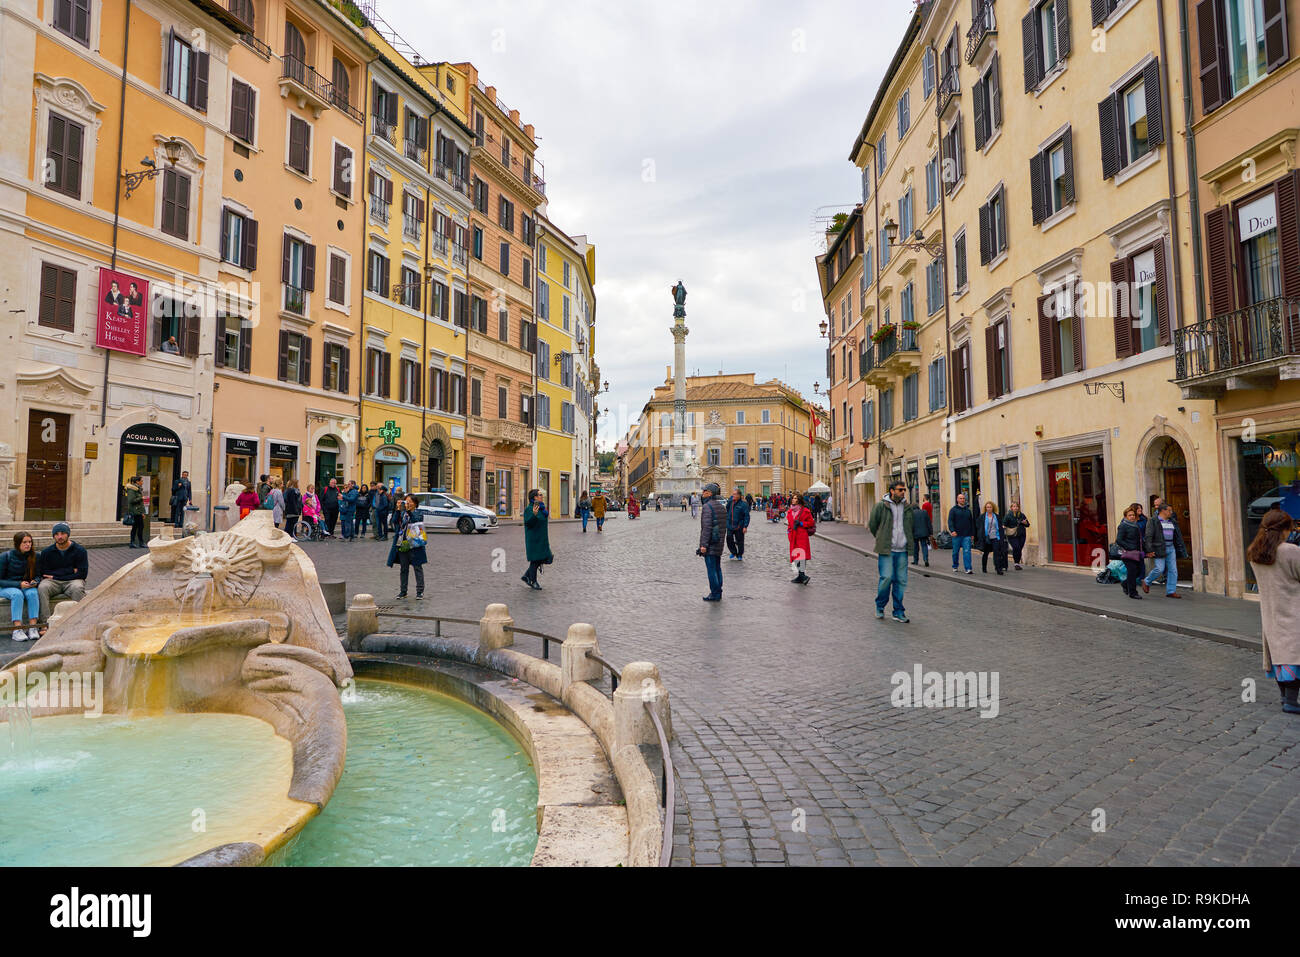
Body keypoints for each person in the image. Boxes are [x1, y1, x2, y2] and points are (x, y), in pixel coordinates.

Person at [1247, 510, 1300, 714]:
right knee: (1294, 655)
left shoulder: (1255, 551)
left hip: (1270, 610)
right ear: (1284, 530)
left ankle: (1284, 697)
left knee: (1279, 654)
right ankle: (1291, 701)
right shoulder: (1289, 551)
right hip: (1293, 608)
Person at [869, 480, 916, 622]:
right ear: (892, 491)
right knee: (886, 578)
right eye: (900, 489)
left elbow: (910, 526)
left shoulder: (908, 508)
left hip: (902, 549)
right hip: (887, 549)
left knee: (901, 581)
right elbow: (872, 525)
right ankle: (880, 606)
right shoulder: (881, 506)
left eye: (904, 490)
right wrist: (881, 538)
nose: (903, 492)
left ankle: (898, 611)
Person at [38, 522, 87, 626]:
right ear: (53, 536)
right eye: (56, 534)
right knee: (42, 587)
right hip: (53, 582)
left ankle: (81, 621)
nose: (59, 537)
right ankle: (45, 623)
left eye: (63, 533)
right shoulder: (47, 552)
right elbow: (44, 572)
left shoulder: (80, 551)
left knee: (77, 587)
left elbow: (82, 574)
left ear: (68, 534)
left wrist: (56, 575)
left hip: (72, 581)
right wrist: (70, 570)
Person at [0, 532, 42, 641]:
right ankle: (17, 629)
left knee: (33, 593)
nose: (28, 544)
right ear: (17, 543)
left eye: (30, 542)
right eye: (25, 542)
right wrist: (18, 584)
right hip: (7, 587)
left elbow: (38, 575)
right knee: (17, 594)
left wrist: (35, 581)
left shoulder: (35, 556)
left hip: (26, 586)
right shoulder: (6, 556)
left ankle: (33, 627)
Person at [1143, 502, 1189, 598]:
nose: (1171, 512)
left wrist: (1180, 547)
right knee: (1160, 569)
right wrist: (1149, 550)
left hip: (1171, 548)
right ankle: (1147, 581)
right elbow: (1148, 536)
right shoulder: (1153, 521)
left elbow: (1177, 536)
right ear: (1163, 511)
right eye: (1169, 510)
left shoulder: (1172, 521)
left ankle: (1171, 591)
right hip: (1159, 548)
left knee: (1173, 570)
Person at [386, 494, 426, 600]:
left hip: (415, 545)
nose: (408, 503)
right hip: (403, 544)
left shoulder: (418, 513)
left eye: (410, 501)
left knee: (417, 568)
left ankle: (420, 592)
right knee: (404, 569)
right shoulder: (403, 513)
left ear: (415, 504)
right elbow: (394, 522)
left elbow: (415, 521)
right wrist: (398, 509)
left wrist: (408, 511)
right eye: (406, 501)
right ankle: (403, 591)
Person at [697, 482, 727, 601]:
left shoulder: (707, 507)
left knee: (711, 569)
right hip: (719, 542)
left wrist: (703, 545)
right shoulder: (721, 506)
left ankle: (715, 593)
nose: (703, 493)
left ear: (710, 493)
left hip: (710, 544)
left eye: (705, 491)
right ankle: (718, 591)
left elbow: (707, 527)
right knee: (717, 568)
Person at [521, 488, 552, 590]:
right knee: (535, 561)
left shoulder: (542, 509)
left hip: (542, 539)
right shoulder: (529, 509)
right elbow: (528, 523)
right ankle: (533, 581)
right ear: (534, 497)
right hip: (534, 539)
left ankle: (526, 575)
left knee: (546, 557)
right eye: (540, 495)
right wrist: (534, 515)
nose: (542, 496)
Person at [1115, 504, 1146, 599]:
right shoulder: (1123, 526)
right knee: (1132, 571)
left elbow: (1140, 540)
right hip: (1128, 553)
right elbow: (1119, 540)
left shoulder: (1136, 525)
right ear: (1125, 516)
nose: (1132, 517)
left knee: (1139, 571)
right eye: (1130, 515)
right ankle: (1133, 592)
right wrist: (1130, 547)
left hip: (1138, 553)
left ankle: (1125, 584)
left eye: (1133, 515)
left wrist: (1145, 550)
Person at [787, 494, 815, 584]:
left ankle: (802, 576)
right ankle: (801, 576)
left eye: (795, 498)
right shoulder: (790, 511)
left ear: (799, 500)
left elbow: (811, 523)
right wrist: (788, 532)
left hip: (801, 536)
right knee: (795, 556)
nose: (793, 500)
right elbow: (789, 524)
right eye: (793, 498)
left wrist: (801, 524)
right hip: (793, 536)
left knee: (801, 556)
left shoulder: (805, 511)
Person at [975, 500, 1008, 575]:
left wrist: (1001, 537)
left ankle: (998, 569)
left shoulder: (996, 516)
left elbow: (1000, 527)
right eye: (987, 507)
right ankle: (984, 567)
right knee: (986, 553)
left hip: (995, 537)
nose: (988, 508)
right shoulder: (982, 517)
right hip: (986, 538)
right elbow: (978, 526)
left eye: (990, 507)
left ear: (993, 508)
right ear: (985, 508)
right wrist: (981, 536)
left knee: (997, 553)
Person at [947, 492, 975, 574]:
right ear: (957, 500)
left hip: (967, 535)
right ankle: (955, 565)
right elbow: (950, 521)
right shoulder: (953, 510)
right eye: (961, 498)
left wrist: (972, 533)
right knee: (955, 552)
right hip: (956, 535)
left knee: (967, 551)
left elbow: (971, 522)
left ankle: (968, 568)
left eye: (963, 498)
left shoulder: (968, 511)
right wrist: (952, 531)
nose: (962, 500)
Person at [726, 488, 750, 560]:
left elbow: (747, 516)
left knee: (740, 541)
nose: (733, 495)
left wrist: (745, 526)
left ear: (739, 495)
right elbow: (727, 509)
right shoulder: (730, 502)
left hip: (739, 525)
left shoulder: (743, 504)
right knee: (729, 539)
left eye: (735, 494)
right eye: (733, 494)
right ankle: (733, 552)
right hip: (730, 524)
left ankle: (740, 554)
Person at [124, 475, 146, 548]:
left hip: (138, 511)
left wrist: (142, 512)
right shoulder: (132, 489)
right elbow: (131, 500)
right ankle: (137, 542)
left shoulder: (137, 489)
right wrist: (141, 498)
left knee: (138, 527)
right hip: (135, 511)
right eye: (141, 481)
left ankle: (136, 542)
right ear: (137, 481)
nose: (142, 482)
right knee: (137, 527)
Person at [912, 500, 933, 567]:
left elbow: (910, 524)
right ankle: (926, 559)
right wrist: (930, 532)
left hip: (915, 533)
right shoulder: (924, 512)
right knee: (924, 546)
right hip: (924, 532)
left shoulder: (911, 513)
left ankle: (916, 560)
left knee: (915, 547)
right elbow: (928, 523)